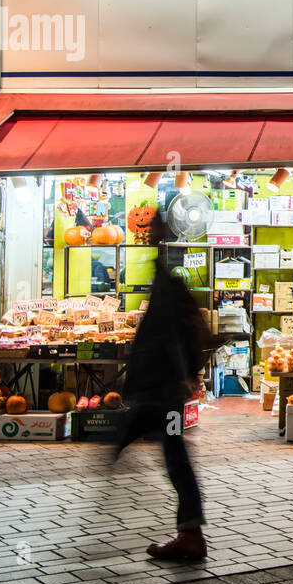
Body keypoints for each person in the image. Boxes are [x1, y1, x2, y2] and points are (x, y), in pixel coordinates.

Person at [114, 212, 214, 561]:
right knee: (170, 454)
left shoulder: (168, 285)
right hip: (161, 387)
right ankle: (189, 532)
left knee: (175, 457)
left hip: (163, 389)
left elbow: (170, 337)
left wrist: (181, 376)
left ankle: (191, 534)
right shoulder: (166, 279)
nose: (144, 234)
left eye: (150, 229)